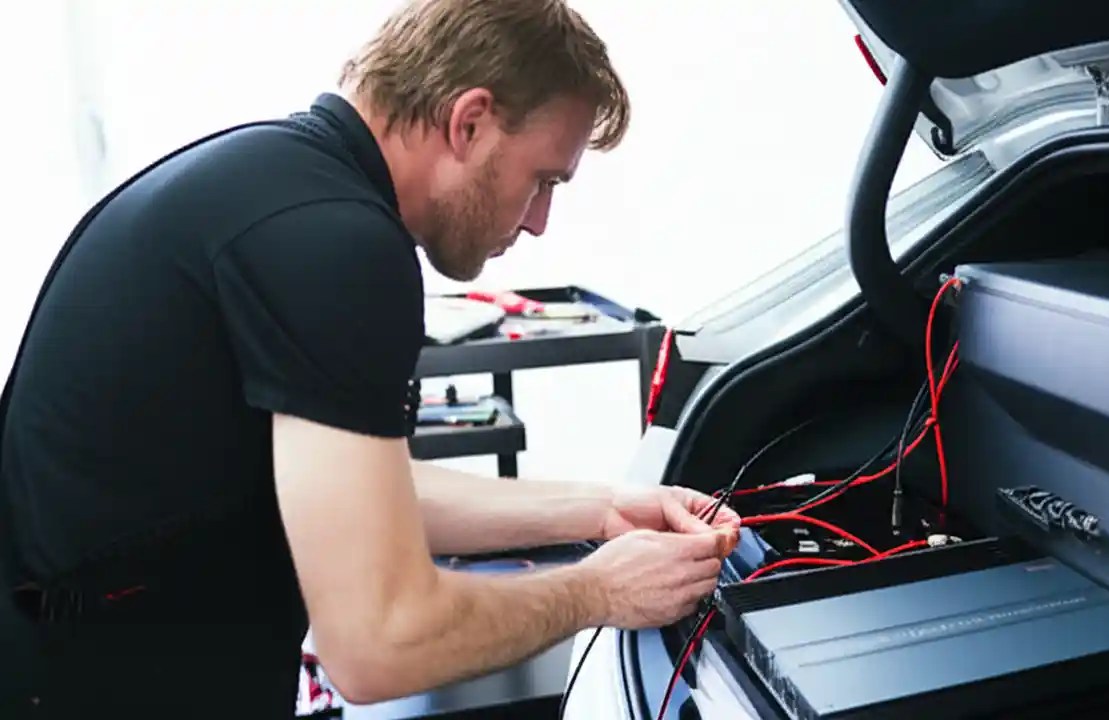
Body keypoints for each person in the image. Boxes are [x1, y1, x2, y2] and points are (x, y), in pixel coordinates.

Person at [0, 0, 739, 716]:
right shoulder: (342, 248)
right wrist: (600, 591)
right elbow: (379, 644)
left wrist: (602, 510)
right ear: (470, 122)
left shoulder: (275, 182)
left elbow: (359, 501)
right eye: (544, 179)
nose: (540, 220)